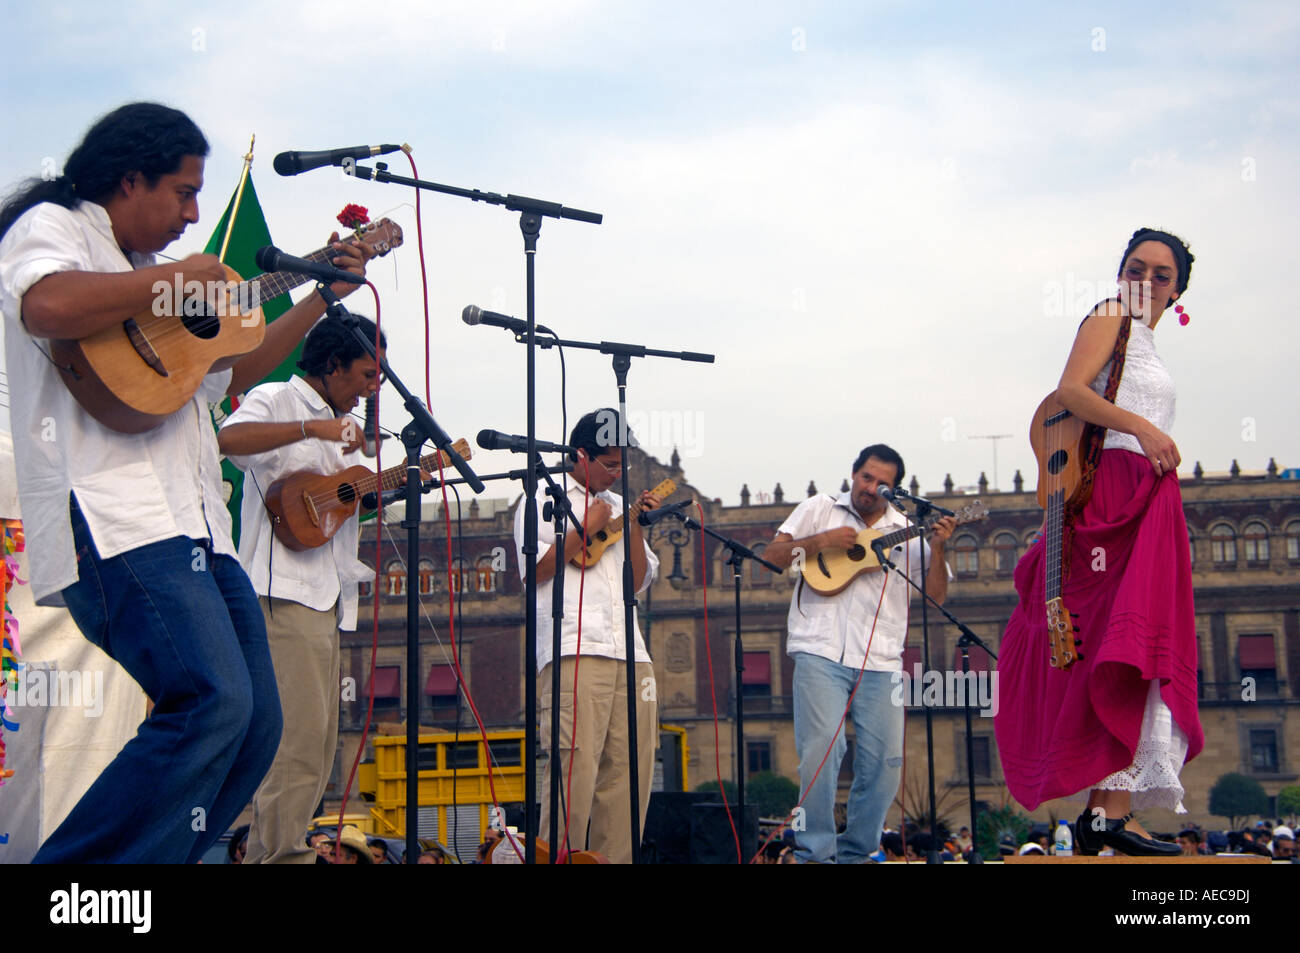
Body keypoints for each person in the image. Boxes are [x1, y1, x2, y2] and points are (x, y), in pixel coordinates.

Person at [0, 102, 367, 862]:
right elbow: (45, 303)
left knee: (256, 724)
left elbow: (236, 369)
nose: (193, 214)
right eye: (183, 192)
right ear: (129, 179)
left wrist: (320, 296)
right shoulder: (58, 228)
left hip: (198, 526)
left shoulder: (150, 286)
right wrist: (174, 280)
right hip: (114, 519)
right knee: (209, 700)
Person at [994, 228, 1205, 857]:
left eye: (1160, 275)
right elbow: (1070, 391)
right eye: (1133, 267)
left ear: (1179, 291)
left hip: (1150, 496)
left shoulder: (1149, 343)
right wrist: (1141, 428)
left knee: (1139, 647)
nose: (1143, 281)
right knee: (1118, 641)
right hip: (1115, 487)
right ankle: (1103, 813)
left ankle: (1108, 813)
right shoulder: (1109, 316)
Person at [217, 314, 384, 864]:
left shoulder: (348, 429)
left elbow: (343, 502)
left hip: (326, 598)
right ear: (333, 365)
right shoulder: (276, 397)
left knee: (316, 741)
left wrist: (392, 485)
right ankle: (282, 857)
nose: (371, 386)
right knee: (297, 744)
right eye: (365, 373)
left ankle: (279, 852)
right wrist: (311, 431)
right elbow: (230, 439)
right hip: (281, 594)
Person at [763, 445, 955, 864]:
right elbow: (772, 557)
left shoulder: (906, 531)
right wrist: (823, 541)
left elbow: (936, 598)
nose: (871, 488)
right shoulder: (819, 508)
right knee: (821, 753)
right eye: (866, 478)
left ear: (894, 489)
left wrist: (938, 549)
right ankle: (815, 853)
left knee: (886, 763)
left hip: (883, 659)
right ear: (853, 474)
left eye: (882, 483)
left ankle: (857, 852)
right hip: (819, 649)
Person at [512, 407, 660, 864]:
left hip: (630, 652)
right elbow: (534, 569)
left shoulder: (618, 507)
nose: (618, 474)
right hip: (574, 647)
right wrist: (587, 525)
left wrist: (632, 522)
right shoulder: (541, 496)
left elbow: (637, 580)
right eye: (610, 465)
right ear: (580, 455)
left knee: (630, 774)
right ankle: (558, 857)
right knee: (573, 769)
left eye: (623, 466)